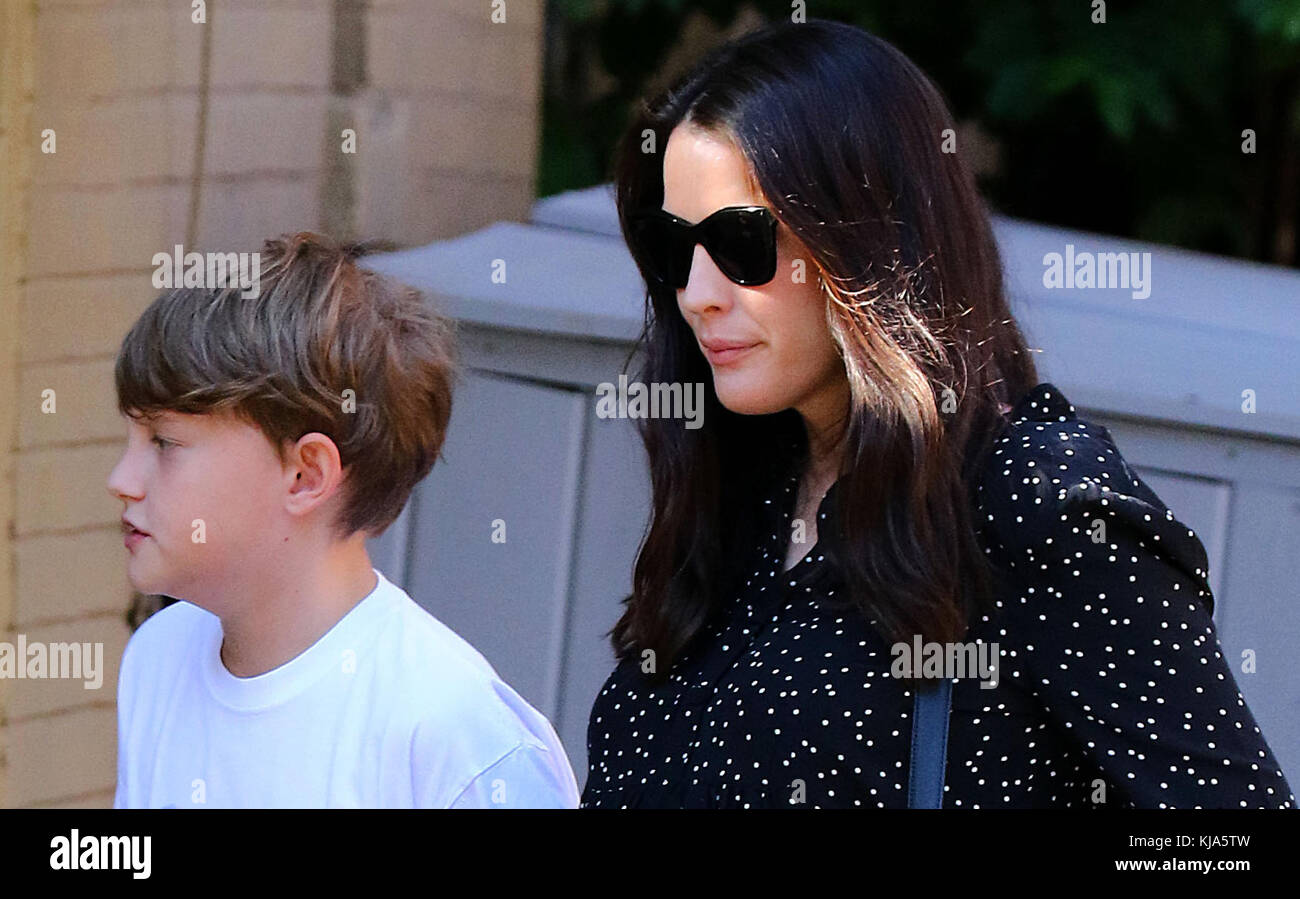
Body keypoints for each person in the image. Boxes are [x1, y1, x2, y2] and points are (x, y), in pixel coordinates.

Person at [581, 18, 1294, 808]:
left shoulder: (1037, 502)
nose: (697, 293)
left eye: (741, 241)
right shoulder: (742, 490)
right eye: (672, 246)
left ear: (870, 236)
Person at [108, 233, 579, 808]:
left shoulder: (452, 732)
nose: (122, 480)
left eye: (164, 442)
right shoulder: (157, 658)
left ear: (306, 475)